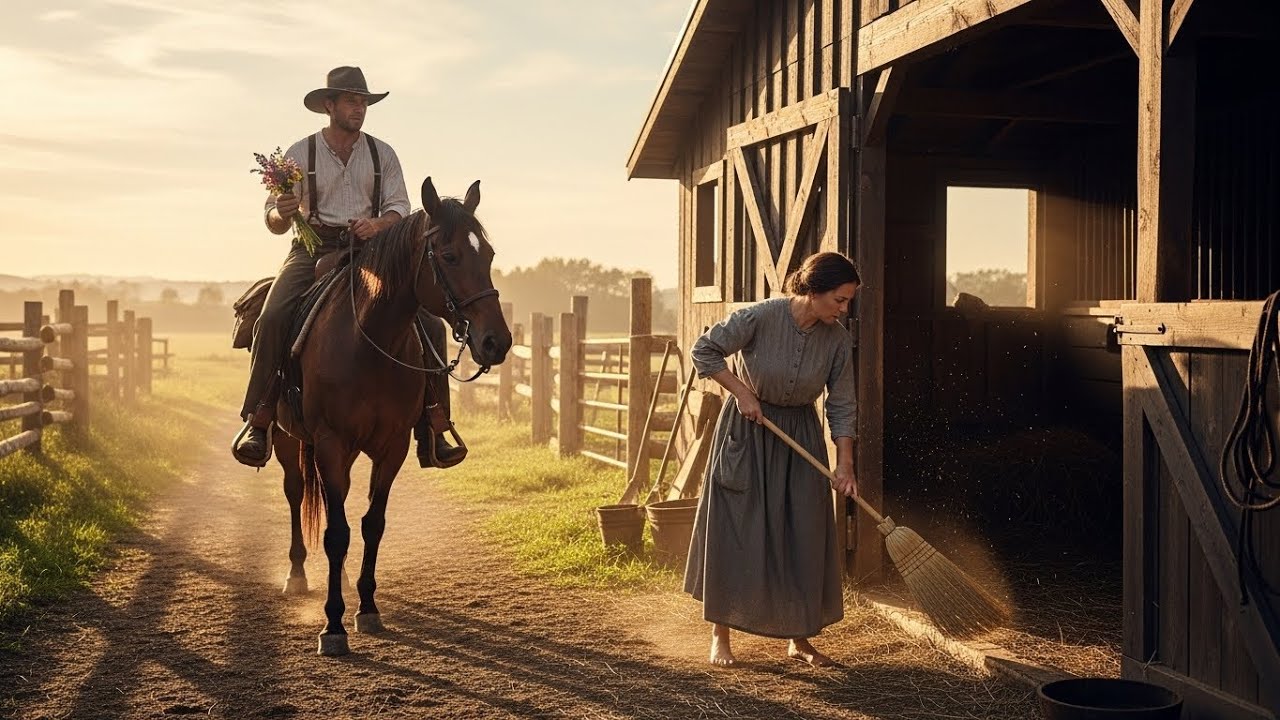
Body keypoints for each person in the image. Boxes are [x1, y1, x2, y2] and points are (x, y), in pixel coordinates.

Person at [233, 66, 466, 470]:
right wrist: (282, 213)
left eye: (363, 103)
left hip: (373, 252)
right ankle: (259, 418)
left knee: (429, 323)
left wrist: (377, 225)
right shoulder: (299, 153)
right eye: (351, 102)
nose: (359, 109)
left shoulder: (382, 154)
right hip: (312, 250)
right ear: (329, 105)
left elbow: (399, 208)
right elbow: (273, 218)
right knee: (272, 316)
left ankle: (435, 426)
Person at [684, 251, 861, 668]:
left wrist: (845, 464)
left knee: (802, 531)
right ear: (814, 290)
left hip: (800, 436)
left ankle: (799, 638)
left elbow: (842, 404)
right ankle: (720, 635)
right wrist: (741, 392)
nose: (843, 309)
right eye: (839, 299)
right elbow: (704, 351)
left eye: (848, 301)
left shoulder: (837, 339)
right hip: (748, 431)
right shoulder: (760, 317)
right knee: (736, 526)